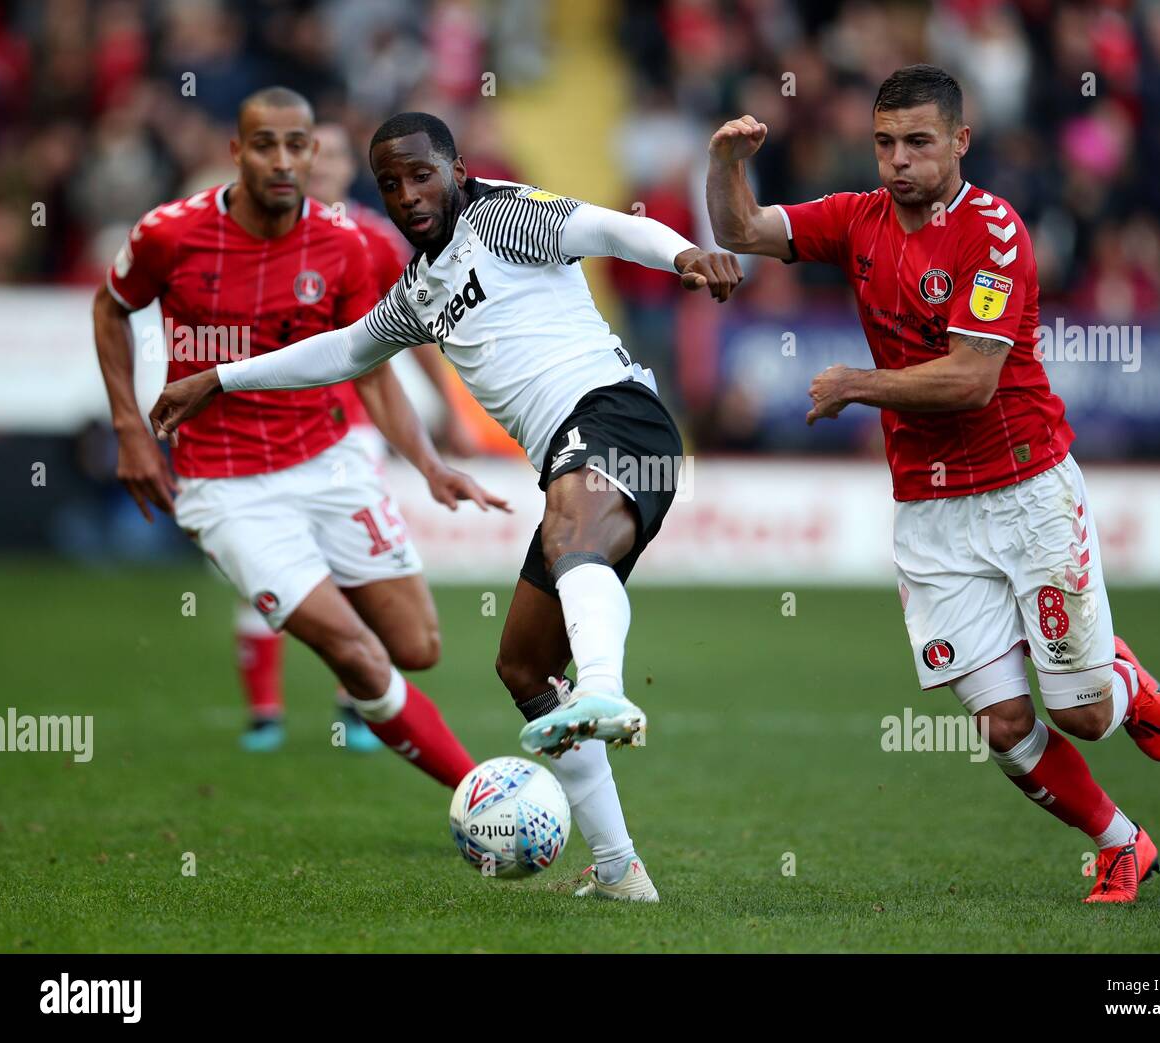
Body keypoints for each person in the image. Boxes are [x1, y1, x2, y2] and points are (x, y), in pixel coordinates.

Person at [148, 110, 744, 901]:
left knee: (571, 541)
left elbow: (609, 230)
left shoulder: (503, 215)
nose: (407, 194)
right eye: (389, 183)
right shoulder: (420, 290)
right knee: (525, 666)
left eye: (421, 174)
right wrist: (220, 378)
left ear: (457, 169)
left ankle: (603, 686)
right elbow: (343, 350)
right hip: (576, 450)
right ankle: (617, 869)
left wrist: (685, 254)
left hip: (618, 419)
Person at [704, 65, 1160, 904]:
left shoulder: (993, 233)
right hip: (929, 512)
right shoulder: (856, 219)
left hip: (1027, 490)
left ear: (960, 140)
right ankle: (1120, 842)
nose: (898, 160)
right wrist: (723, 162)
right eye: (884, 143)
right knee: (1002, 726)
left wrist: (856, 384)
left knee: (1082, 714)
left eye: (918, 142)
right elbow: (740, 228)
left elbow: (971, 380)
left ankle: (1123, 681)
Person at [95, 87, 506, 788]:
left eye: (296, 144)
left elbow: (373, 374)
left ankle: (312, 610)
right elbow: (112, 308)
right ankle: (483, 792)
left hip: (332, 462)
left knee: (418, 645)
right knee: (358, 651)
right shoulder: (169, 234)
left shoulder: (348, 246)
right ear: (237, 152)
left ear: (315, 154)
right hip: (225, 486)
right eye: (265, 144)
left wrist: (431, 463)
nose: (282, 160)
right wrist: (130, 430)